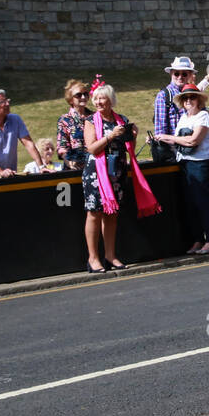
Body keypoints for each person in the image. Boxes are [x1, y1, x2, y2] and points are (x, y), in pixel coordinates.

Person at [82, 78, 158, 272]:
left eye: (103, 99)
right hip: (96, 172)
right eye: (96, 99)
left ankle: (110, 255)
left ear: (111, 100)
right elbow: (91, 148)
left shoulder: (121, 120)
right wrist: (110, 136)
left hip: (116, 171)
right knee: (94, 213)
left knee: (112, 214)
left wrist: (132, 134)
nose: (99, 102)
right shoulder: (90, 121)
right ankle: (93, 258)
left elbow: (129, 148)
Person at [155, 83, 209, 254]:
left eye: (192, 97)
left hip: (201, 163)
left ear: (199, 100)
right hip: (185, 163)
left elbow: (193, 140)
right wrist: (160, 139)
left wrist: (169, 137)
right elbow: (179, 140)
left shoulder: (203, 117)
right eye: (185, 98)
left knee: (202, 201)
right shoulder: (184, 118)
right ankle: (198, 239)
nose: (189, 101)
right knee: (191, 204)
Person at [0, 88, 46, 176]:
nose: (7, 104)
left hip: (11, 175)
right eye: (2, 102)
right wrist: (1, 172)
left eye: (7, 100)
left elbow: (28, 143)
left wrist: (41, 167)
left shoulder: (16, 119)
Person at [153, 57, 198, 165]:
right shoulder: (163, 96)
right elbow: (161, 132)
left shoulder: (194, 94)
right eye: (176, 74)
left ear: (190, 75)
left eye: (184, 74)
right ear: (171, 74)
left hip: (193, 152)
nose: (180, 77)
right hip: (173, 155)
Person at [56, 79, 92, 170]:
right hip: (74, 168)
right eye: (78, 95)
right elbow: (62, 147)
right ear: (71, 99)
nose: (83, 97)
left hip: (93, 166)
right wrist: (69, 163)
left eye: (85, 94)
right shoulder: (65, 120)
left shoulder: (95, 117)